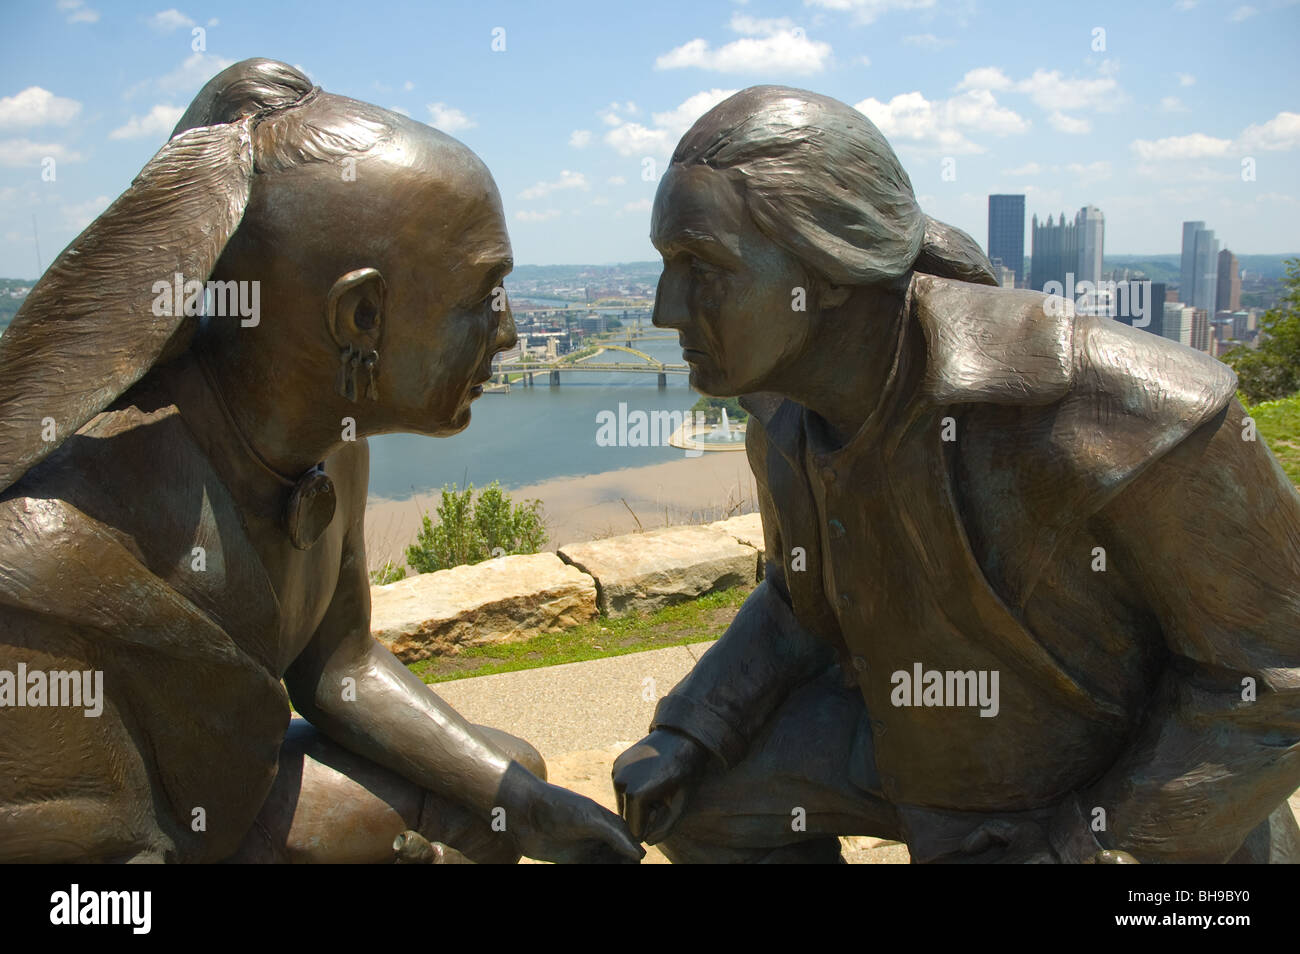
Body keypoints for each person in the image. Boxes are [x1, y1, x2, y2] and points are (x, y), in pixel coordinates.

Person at [612, 85, 1300, 863]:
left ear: (829, 266)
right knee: (698, 801)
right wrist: (691, 728)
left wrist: (1085, 847)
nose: (668, 310)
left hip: (1098, 783)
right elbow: (799, 601)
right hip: (916, 742)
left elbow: (1276, 677)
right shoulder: (782, 412)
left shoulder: (1116, 412)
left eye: (702, 266)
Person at [0, 59, 641, 865]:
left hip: (235, 790)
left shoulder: (334, 450)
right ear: (361, 315)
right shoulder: (52, 560)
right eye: (485, 294)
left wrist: (527, 807)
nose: (508, 334)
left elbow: (340, 668)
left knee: (509, 786)